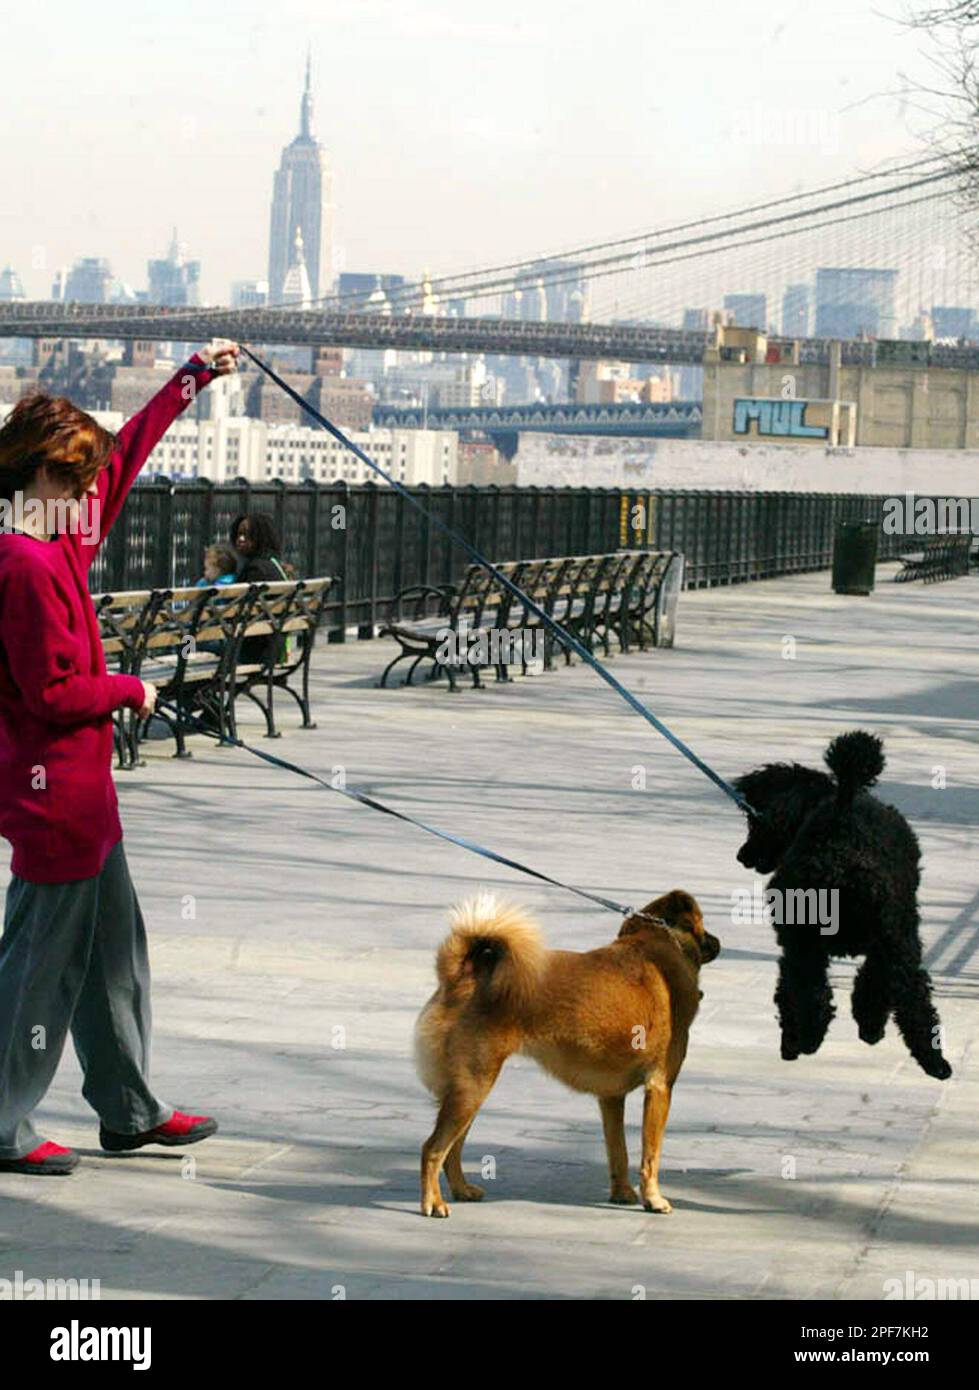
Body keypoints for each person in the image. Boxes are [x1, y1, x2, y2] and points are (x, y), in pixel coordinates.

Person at [0, 339, 240, 1175]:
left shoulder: (55, 532)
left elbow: (122, 461)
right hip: (49, 792)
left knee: (113, 961)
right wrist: (129, 691)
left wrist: (190, 380)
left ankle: (129, 1110)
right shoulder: (24, 564)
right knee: (37, 972)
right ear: (37, 476)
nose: (86, 493)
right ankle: (1, 1121)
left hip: (83, 792)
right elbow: (52, 694)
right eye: (73, 479)